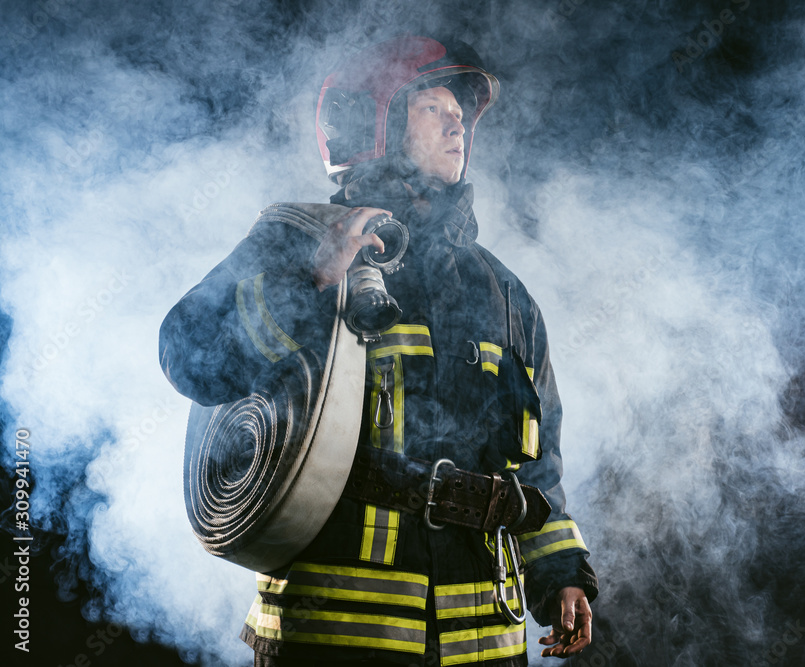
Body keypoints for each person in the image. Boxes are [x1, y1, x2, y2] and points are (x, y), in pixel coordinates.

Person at [159, 35, 597, 666]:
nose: (457, 126)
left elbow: (536, 457)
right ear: (377, 123)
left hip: (487, 649)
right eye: (432, 109)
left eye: (460, 115)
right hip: (335, 641)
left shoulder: (501, 292)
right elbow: (188, 353)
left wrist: (561, 574)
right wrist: (310, 280)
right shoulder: (302, 242)